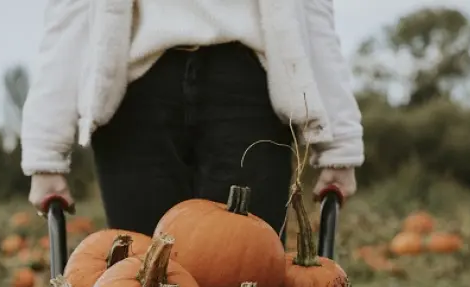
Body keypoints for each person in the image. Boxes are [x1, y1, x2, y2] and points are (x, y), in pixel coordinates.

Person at [20, 0, 363, 237]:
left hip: (248, 86)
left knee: (248, 277)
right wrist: (45, 153)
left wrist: (340, 145)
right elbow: (70, 18)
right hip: (135, 92)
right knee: (140, 278)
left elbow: (313, 16)